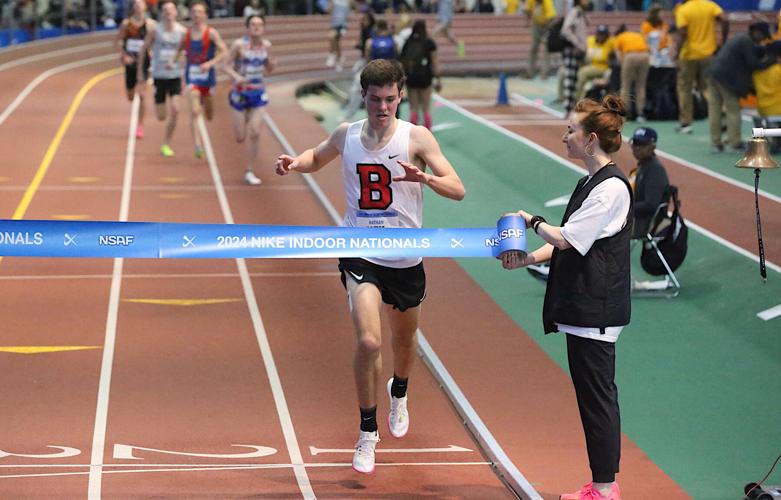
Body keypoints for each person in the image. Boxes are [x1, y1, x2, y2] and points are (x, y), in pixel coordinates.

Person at [274, 59, 465, 474]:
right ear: (363, 96)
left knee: (404, 340)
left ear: (400, 96)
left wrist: (426, 179)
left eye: (390, 99)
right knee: (368, 342)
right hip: (359, 250)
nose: (383, 107)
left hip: (406, 256)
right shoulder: (348, 135)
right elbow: (317, 156)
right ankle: (366, 433)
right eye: (375, 99)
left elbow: (458, 188)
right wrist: (294, 162)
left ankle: (400, 391)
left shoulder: (416, 137)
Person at [500, 95, 631, 500]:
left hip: (597, 310)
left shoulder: (610, 190)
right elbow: (566, 245)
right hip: (583, 309)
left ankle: (605, 490)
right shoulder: (588, 183)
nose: (564, 136)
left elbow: (566, 236)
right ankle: (600, 485)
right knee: (592, 400)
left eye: (570, 131)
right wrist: (526, 259)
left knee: (598, 402)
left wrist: (531, 221)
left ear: (591, 140)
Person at [706, 22, 773, 153]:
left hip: (713, 74)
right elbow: (753, 63)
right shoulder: (745, 41)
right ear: (756, 32)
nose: (763, 39)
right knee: (733, 110)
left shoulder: (740, 38)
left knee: (715, 110)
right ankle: (735, 143)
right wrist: (771, 61)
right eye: (763, 36)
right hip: (726, 78)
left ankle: (716, 142)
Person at [224, 14, 274, 185]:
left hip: (258, 93)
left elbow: (270, 69)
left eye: (259, 24)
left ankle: (249, 170)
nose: (256, 27)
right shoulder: (239, 45)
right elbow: (226, 65)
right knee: (240, 136)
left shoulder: (266, 46)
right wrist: (237, 76)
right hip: (239, 93)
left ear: (264, 28)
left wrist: (271, 60)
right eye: (253, 24)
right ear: (247, 27)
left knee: (255, 132)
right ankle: (243, 117)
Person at [179, 0, 228, 159]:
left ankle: (207, 110)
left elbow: (223, 51)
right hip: (192, 77)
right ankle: (198, 145)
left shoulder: (211, 33)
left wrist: (210, 63)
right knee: (194, 110)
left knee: (209, 114)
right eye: (194, 12)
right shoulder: (186, 34)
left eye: (200, 12)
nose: (196, 15)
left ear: (205, 15)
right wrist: (172, 63)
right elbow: (179, 50)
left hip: (208, 79)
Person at [137, 0, 185, 157]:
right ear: (161, 13)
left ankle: (166, 143)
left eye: (171, 10)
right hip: (159, 75)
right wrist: (140, 72)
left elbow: (187, 51)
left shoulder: (182, 32)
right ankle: (159, 100)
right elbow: (143, 49)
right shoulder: (155, 31)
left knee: (176, 109)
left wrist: (180, 61)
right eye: (165, 10)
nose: (168, 12)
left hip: (175, 75)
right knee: (161, 116)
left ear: (176, 13)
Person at [673, 0, 728, 134]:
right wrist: (723, 40)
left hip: (688, 55)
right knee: (709, 88)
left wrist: (677, 52)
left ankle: (686, 124)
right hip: (709, 53)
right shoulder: (710, 5)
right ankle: (722, 117)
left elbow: (682, 32)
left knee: (685, 88)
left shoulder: (683, 9)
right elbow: (725, 19)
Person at [116, 0, 154, 140]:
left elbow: (156, 41)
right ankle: (131, 92)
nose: (138, 7)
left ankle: (140, 126)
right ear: (133, 8)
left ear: (145, 7)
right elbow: (118, 41)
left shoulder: (150, 25)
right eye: (136, 5)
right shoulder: (127, 24)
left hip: (144, 63)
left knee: (142, 95)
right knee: (130, 95)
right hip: (130, 63)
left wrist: (152, 51)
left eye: (140, 4)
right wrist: (123, 55)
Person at [627, 126, 669, 238]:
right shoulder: (643, 165)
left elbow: (650, 205)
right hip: (633, 218)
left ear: (653, 146)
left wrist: (623, 209)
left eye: (642, 144)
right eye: (635, 143)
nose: (637, 148)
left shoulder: (655, 170)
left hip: (642, 224)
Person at [400, 19, 439, 129]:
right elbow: (434, 61)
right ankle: (427, 130)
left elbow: (403, 60)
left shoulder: (408, 41)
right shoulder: (429, 42)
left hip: (411, 76)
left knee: (413, 107)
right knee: (426, 107)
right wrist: (437, 78)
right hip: (425, 76)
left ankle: (412, 131)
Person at [613, 25, 650, 122]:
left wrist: (624, 67)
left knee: (626, 86)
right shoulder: (637, 35)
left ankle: (624, 114)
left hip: (630, 56)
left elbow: (618, 56)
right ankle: (640, 114)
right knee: (641, 86)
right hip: (645, 55)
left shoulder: (619, 37)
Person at [561, 0, 589, 113]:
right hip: (571, 50)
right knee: (570, 79)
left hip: (578, 51)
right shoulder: (575, 12)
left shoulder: (581, 13)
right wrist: (576, 43)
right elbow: (565, 30)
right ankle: (568, 107)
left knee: (575, 78)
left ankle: (572, 106)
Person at [574, 24, 613, 101]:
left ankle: (577, 100)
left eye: (603, 34)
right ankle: (580, 99)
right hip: (591, 66)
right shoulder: (590, 40)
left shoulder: (611, 42)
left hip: (602, 67)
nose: (601, 36)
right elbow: (583, 50)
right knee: (579, 74)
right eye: (599, 33)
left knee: (582, 72)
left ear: (606, 35)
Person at [523, 0, 556, 79]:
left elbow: (551, 17)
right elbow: (528, 10)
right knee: (533, 48)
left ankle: (544, 73)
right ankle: (530, 72)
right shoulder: (531, 1)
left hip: (547, 25)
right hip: (536, 25)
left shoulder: (547, 2)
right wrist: (527, 22)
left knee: (546, 50)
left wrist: (549, 31)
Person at [327, 0, 352, 71]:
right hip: (334, 24)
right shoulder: (334, 1)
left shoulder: (347, 2)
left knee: (331, 37)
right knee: (337, 43)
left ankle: (332, 54)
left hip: (342, 25)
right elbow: (328, 11)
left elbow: (349, 14)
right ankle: (339, 60)